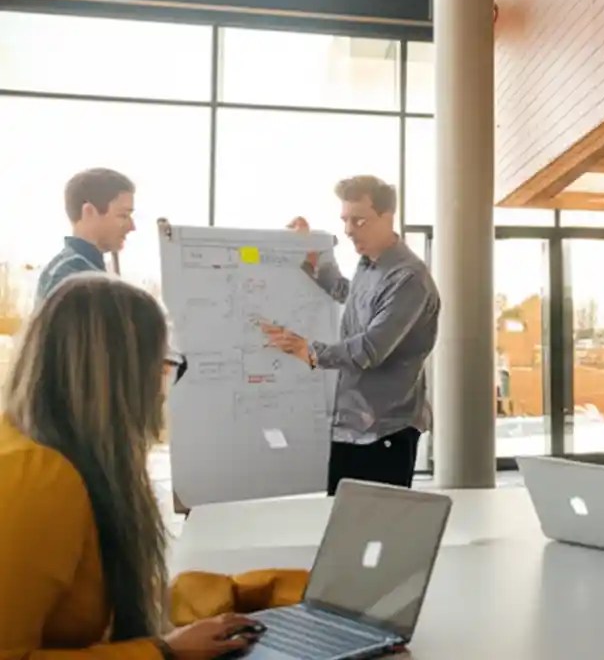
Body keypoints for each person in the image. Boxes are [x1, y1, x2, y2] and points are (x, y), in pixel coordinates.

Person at [0, 273, 261, 659]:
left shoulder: (63, 460)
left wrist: (255, 592)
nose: (162, 390)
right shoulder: (38, 479)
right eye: (162, 367)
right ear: (122, 376)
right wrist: (163, 652)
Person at [262, 175, 439, 496]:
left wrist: (308, 351)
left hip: (385, 432)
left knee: (377, 521)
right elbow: (346, 292)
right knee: (340, 518)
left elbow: (370, 349)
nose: (348, 230)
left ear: (388, 217)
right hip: (351, 427)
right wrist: (310, 251)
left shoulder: (408, 278)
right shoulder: (369, 265)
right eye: (345, 220)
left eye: (359, 220)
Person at [35, 167, 136, 301]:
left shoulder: (83, 272)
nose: (132, 227)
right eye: (123, 215)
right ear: (89, 212)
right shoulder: (73, 279)